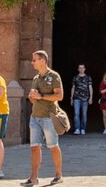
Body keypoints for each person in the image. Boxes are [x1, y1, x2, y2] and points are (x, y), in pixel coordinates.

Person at [25, 51, 64, 185]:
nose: (32, 63)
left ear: (42, 61)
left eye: (34, 60)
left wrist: (41, 96)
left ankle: (58, 174)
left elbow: (59, 96)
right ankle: (34, 177)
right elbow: (33, 99)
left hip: (49, 117)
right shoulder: (35, 78)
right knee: (34, 147)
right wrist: (32, 96)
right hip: (35, 117)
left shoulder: (54, 76)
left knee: (53, 146)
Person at [70, 65, 94, 135]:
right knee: (76, 113)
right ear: (78, 69)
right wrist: (71, 98)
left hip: (85, 98)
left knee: (84, 114)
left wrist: (91, 97)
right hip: (76, 97)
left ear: (84, 69)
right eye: (80, 68)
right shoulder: (75, 77)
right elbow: (73, 88)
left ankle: (83, 128)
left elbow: (90, 88)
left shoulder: (88, 77)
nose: (81, 69)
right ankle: (77, 129)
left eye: (82, 68)